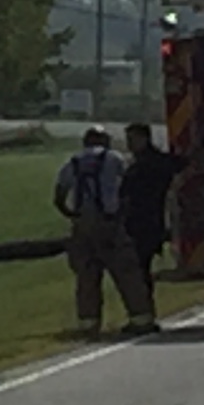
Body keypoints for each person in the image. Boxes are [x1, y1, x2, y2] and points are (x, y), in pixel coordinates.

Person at [53, 123, 155, 337]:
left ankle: (88, 323)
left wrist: (72, 215)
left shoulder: (72, 162)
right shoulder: (114, 159)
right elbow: (129, 185)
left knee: (86, 275)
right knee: (126, 272)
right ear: (105, 141)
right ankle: (140, 319)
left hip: (82, 225)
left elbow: (59, 195)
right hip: (110, 223)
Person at [117, 119, 185, 308]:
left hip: (145, 221)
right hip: (147, 221)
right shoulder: (152, 162)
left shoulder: (147, 166)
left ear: (145, 138)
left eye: (133, 139)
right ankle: (145, 309)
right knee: (140, 268)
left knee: (138, 268)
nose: (129, 144)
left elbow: (125, 195)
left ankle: (144, 311)